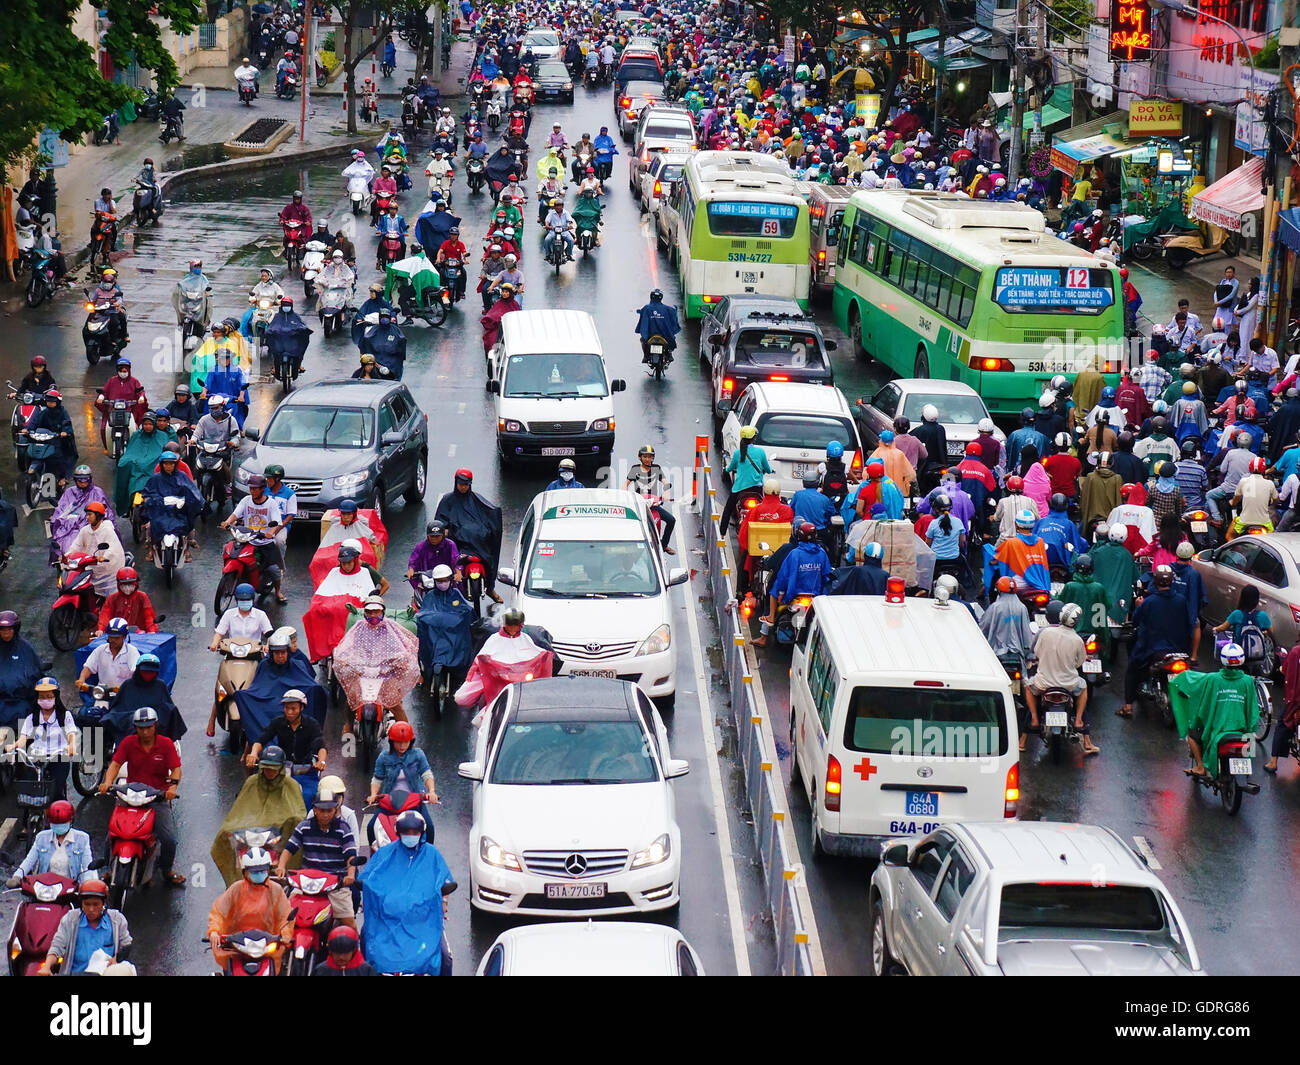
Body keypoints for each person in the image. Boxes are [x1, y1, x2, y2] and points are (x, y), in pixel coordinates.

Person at [357, 808, 455, 975]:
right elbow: (369, 879)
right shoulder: (384, 854)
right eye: (406, 832)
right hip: (386, 919)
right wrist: (366, 896)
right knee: (364, 943)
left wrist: (443, 901)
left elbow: (445, 881)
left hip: (423, 921)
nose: (411, 835)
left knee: (445, 958)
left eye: (415, 832)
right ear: (398, 832)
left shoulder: (432, 855)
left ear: (421, 833)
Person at [97, 707, 185, 886]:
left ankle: (167, 870)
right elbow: (115, 764)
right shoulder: (129, 742)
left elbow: (176, 768)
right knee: (111, 835)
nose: (144, 731)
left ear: (155, 726)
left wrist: (172, 788)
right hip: (130, 793)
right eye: (140, 727)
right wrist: (107, 782)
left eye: (148, 727)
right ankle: (108, 869)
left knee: (169, 839)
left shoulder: (166, 744)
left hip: (156, 796)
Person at [1170, 641, 1258, 778]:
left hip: (1217, 730)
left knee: (1192, 734)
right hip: (1243, 731)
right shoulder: (1248, 681)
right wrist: (1251, 730)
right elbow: (1253, 710)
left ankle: (1200, 767)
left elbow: (1202, 701)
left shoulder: (1213, 679)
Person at [276, 792, 360, 930]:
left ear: (335, 810)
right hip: (307, 884)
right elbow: (289, 849)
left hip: (334, 885)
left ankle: (355, 950)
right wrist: (281, 866)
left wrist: (350, 875)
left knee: (349, 922)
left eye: (329, 810)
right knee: (286, 918)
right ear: (314, 809)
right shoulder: (304, 827)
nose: (325, 814)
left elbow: (351, 855)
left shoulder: (343, 828)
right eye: (322, 810)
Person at [1024, 601, 1097, 753]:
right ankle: (1078, 722)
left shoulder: (1045, 633)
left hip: (1043, 682)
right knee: (1083, 689)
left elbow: (1036, 652)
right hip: (1068, 684)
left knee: (1028, 688)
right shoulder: (1077, 640)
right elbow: (1079, 662)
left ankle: (1034, 719)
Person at [1119, 566, 1192, 719]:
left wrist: (1138, 606)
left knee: (1132, 669)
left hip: (1152, 648)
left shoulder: (1149, 602)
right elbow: (1189, 623)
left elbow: (1136, 621)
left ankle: (1127, 706)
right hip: (1179, 648)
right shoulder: (1181, 600)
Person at [207, 847, 293, 974]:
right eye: (254, 872)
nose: (259, 874)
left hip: (266, 946)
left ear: (269, 870)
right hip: (237, 946)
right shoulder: (235, 889)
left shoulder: (276, 890)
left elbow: (285, 916)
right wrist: (214, 932)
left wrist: (285, 934)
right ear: (245, 872)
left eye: (262, 871)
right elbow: (218, 913)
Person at [755, 523, 831, 647]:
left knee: (773, 591)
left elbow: (784, 576)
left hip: (794, 594)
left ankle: (771, 618)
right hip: (815, 595)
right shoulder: (821, 553)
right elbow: (826, 574)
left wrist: (780, 592)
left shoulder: (794, 553)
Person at [245, 689, 326, 805]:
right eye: (286, 708)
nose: (289, 712)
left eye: (293, 709)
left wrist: (321, 761)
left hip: (305, 771)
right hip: (281, 769)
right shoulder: (277, 722)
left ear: (301, 708)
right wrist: (253, 754)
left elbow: (321, 746)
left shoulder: (312, 724)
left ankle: (305, 820)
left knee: (308, 796)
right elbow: (261, 740)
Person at [434, 469, 503, 602]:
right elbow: (440, 521)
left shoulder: (477, 500)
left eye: (466, 484)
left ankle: (490, 587)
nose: (463, 487)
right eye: (461, 484)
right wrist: (446, 530)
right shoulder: (447, 500)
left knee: (489, 559)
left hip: (478, 542)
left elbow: (490, 512)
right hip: (457, 542)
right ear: (456, 483)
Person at [39, 879, 131, 976]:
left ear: (104, 903)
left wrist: (116, 959)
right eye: (87, 904)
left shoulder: (117, 919)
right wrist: (47, 966)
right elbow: (57, 946)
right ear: (81, 903)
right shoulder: (70, 919)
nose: (91, 909)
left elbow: (126, 945)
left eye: (96, 904)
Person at [5, 677, 76, 799]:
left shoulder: (65, 716)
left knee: (56, 792)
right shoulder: (31, 718)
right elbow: (23, 739)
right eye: (42, 697)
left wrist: (71, 745)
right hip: (37, 758)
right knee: (30, 793)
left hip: (58, 757)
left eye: (49, 696)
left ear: (56, 697)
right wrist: (13, 746)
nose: (45, 700)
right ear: (37, 699)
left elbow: (71, 734)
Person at [220, 474, 287, 601]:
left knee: (274, 569)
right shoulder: (246, 500)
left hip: (264, 541)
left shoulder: (271, 504)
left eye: (255, 489)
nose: (252, 491)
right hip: (247, 539)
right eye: (251, 488)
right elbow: (235, 514)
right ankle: (230, 578)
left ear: (262, 489)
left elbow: (277, 522)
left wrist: (270, 532)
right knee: (227, 550)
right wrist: (227, 522)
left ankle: (278, 591)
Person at [367, 720, 439, 840]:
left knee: (430, 828)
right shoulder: (384, 757)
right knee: (371, 827)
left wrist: (431, 791)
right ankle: (375, 856)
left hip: (413, 800)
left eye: (405, 742)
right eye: (398, 742)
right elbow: (377, 778)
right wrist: (373, 795)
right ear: (391, 742)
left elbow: (426, 774)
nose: (402, 746)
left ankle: (427, 856)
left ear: (411, 742)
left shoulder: (418, 755)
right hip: (389, 801)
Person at [6, 800, 95, 886]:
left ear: (71, 820)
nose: (59, 826)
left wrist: (89, 885)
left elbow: (88, 867)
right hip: (44, 889)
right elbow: (29, 861)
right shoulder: (42, 837)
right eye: (55, 823)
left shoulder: (82, 839)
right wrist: (17, 877)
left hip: (69, 890)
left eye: (62, 823)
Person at [63, 499, 126, 598]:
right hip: (90, 567)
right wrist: (66, 556)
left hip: (107, 571)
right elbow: (76, 546)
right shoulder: (85, 530)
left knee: (111, 599)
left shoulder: (107, 530)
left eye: (89, 515)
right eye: (86, 515)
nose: (87, 517)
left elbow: (113, 548)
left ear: (98, 516)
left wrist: (104, 557)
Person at [720, 426, 774, 535]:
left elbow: (730, 468)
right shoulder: (760, 452)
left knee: (728, 510)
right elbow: (767, 469)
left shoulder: (737, 453)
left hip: (739, 488)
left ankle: (721, 534)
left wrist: (726, 469)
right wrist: (771, 470)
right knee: (763, 510)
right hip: (757, 488)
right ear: (754, 438)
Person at [624, 445, 677, 553]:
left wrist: (666, 493)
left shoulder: (656, 468)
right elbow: (626, 484)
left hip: (654, 505)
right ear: (640, 457)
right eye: (645, 456)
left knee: (671, 520)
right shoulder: (635, 469)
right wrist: (625, 494)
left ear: (653, 458)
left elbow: (665, 482)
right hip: (639, 504)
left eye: (650, 457)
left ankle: (664, 545)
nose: (647, 459)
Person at [991, 508, 1050, 592]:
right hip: (1039, 584)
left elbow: (999, 559)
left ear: (1016, 524)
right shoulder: (1040, 541)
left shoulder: (1010, 542)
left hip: (1017, 585)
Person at [1228, 457, 1278, 537]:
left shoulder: (1243, 481)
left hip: (1244, 521)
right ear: (1264, 469)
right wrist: (1271, 503)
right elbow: (1276, 500)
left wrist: (1232, 502)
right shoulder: (1270, 484)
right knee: (1272, 539)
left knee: (1229, 536)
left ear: (1250, 468)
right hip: (1264, 522)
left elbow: (1236, 500)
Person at [405, 519, 460, 588]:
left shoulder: (450, 545)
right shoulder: (421, 546)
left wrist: (458, 572)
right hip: (428, 580)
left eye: (437, 536)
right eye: (432, 536)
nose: (434, 539)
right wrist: (411, 570)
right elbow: (413, 561)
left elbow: (456, 560)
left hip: (447, 580)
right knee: (419, 592)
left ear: (442, 535)